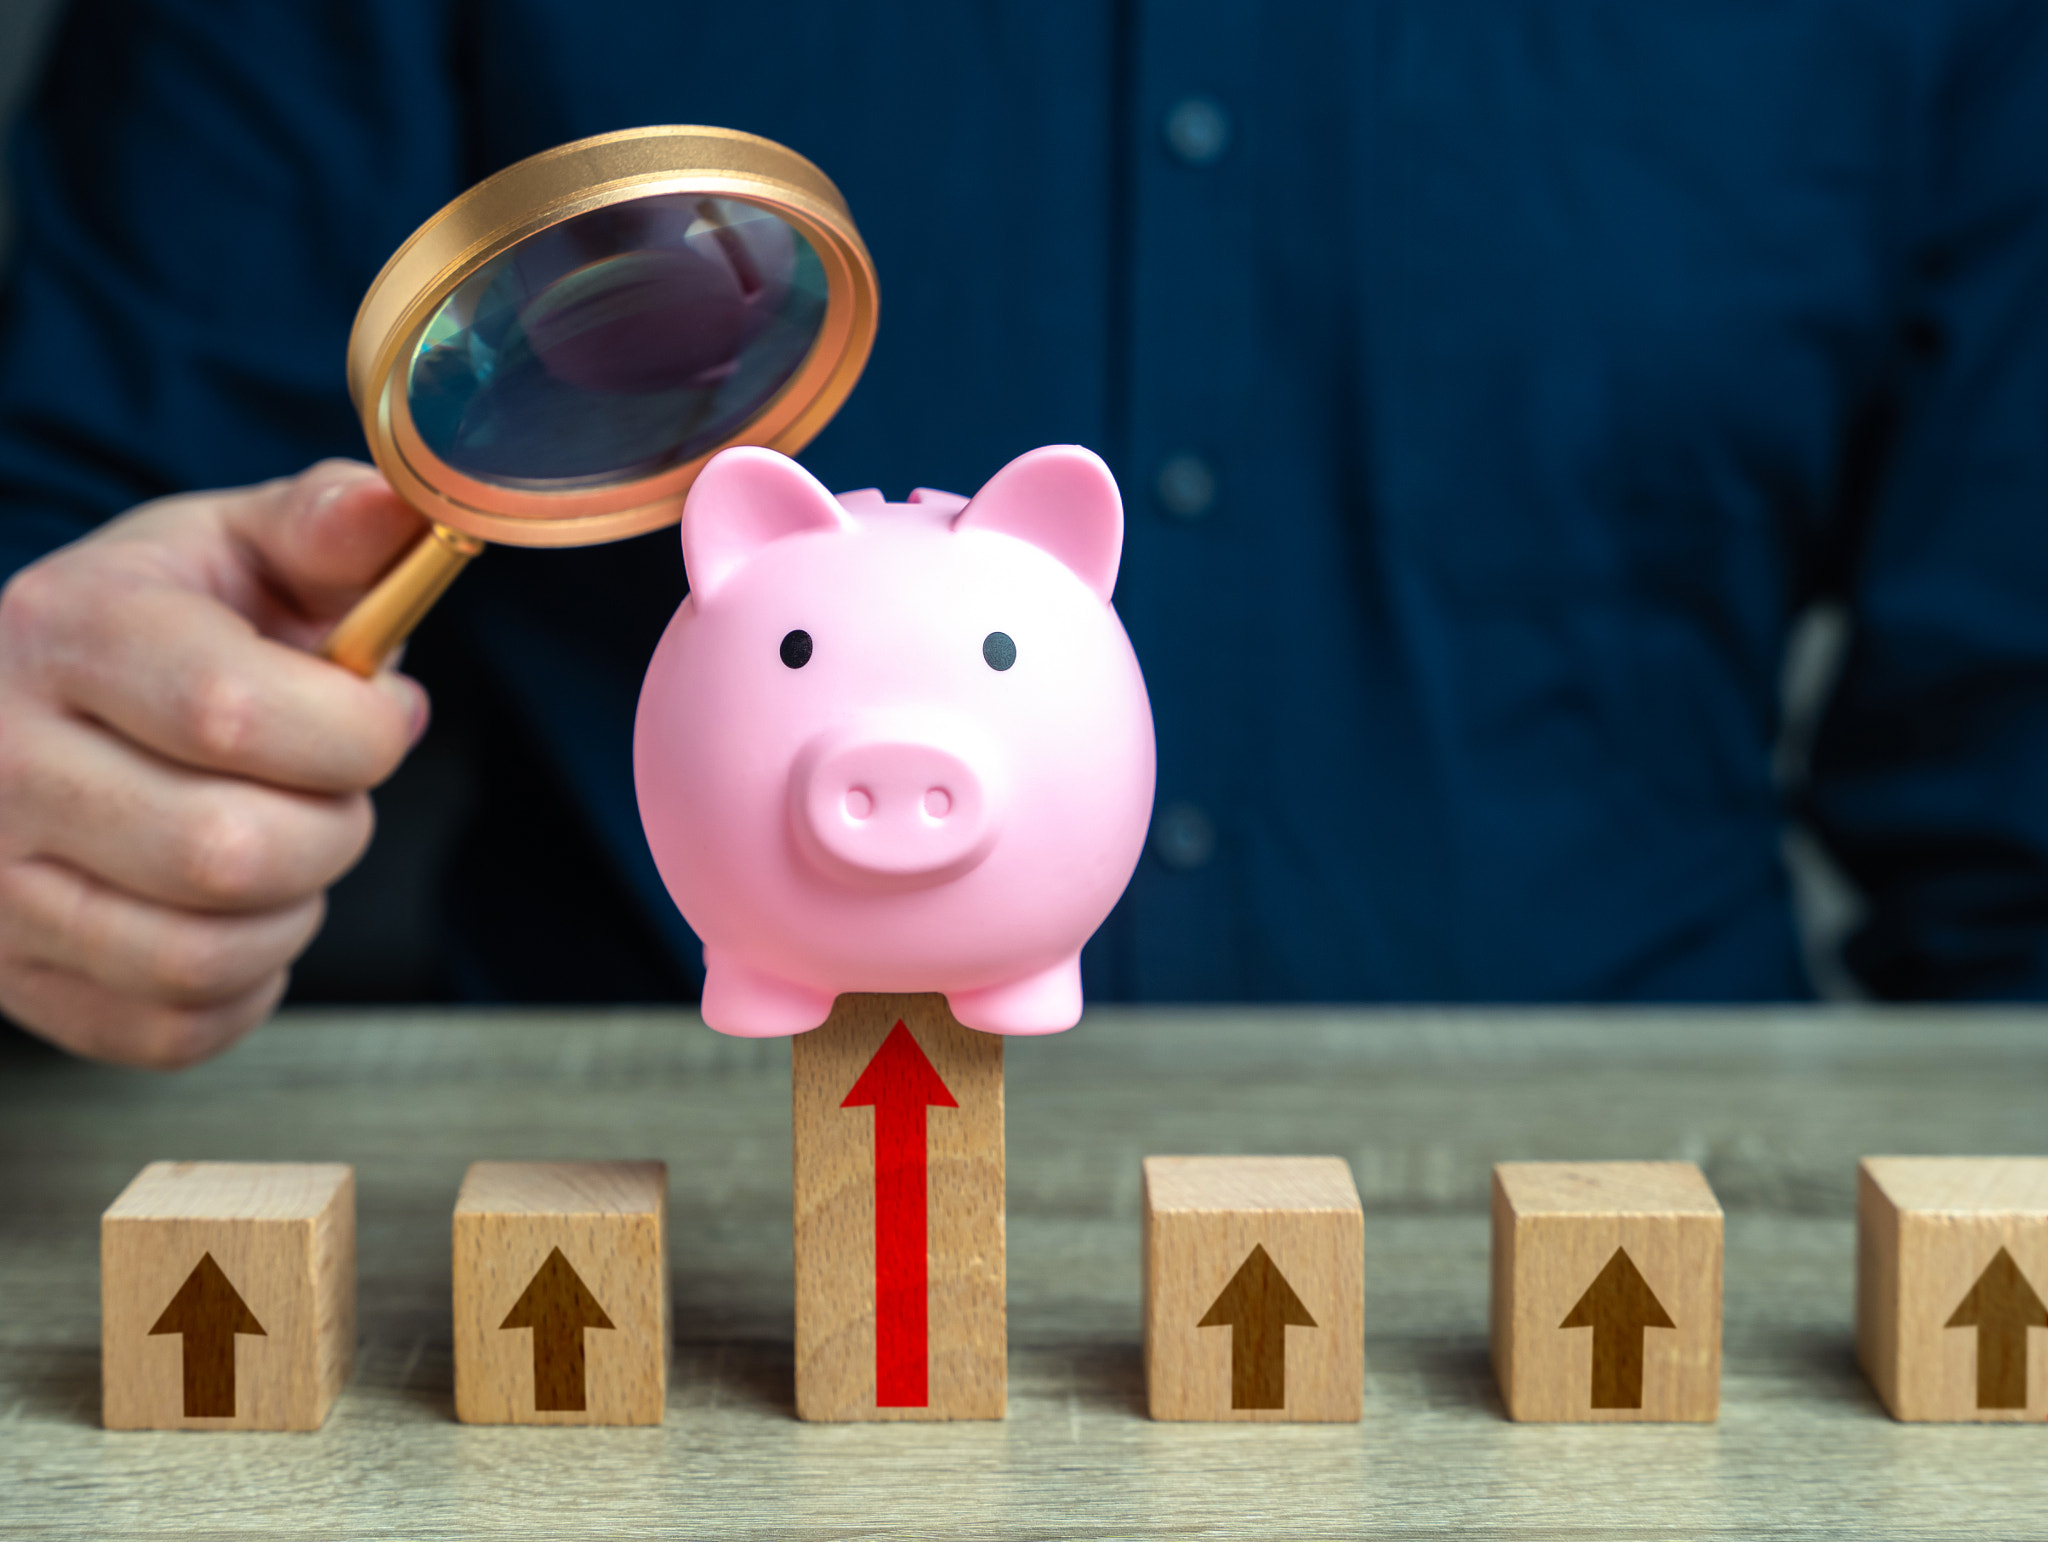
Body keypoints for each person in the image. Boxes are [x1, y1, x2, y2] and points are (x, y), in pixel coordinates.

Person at [4, 0, 2048, 1068]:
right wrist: (63, 771)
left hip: (1611, 1237)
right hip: (645, 1244)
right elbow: (73, 534)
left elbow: (2015, 818)